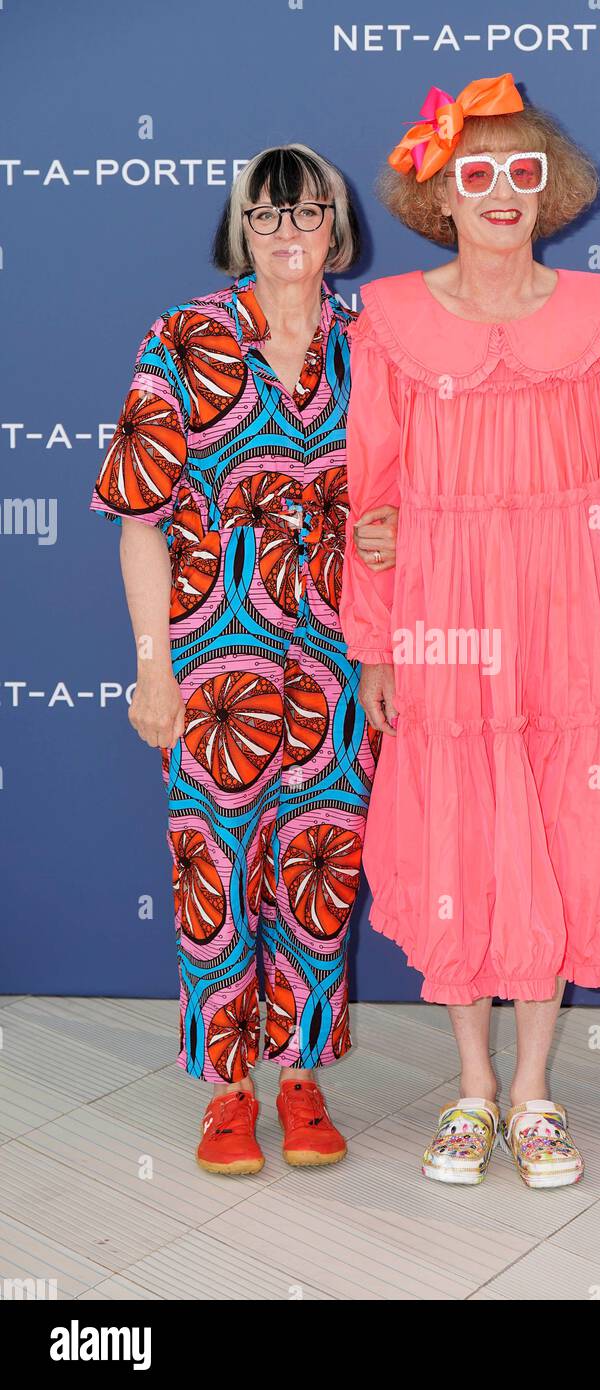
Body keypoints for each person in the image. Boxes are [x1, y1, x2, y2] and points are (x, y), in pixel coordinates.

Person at [339, 75, 600, 1188]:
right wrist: (374, 640)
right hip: (441, 606)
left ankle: (537, 1092)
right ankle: (471, 1089)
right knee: (456, 825)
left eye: (521, 172)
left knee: (553, 826)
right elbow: (372, 495)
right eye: (475, 174)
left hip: (567, 607)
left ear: (551, 190)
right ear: (438, 193)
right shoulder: (394, 320)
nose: (500, 193)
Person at [90, 144, 398, 1176]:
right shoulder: (184, 338)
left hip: (336, 658)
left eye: (305, 213)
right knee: (215, 876)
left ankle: (302, 1077)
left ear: (335, 226)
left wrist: (395, 541)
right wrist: (152, 668)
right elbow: (137, 520)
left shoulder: (373, 342)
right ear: (238, 230)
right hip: (211, 660)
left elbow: (407, 495)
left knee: (322, 865)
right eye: (263, 217)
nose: (285, 234)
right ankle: (229, 1092)